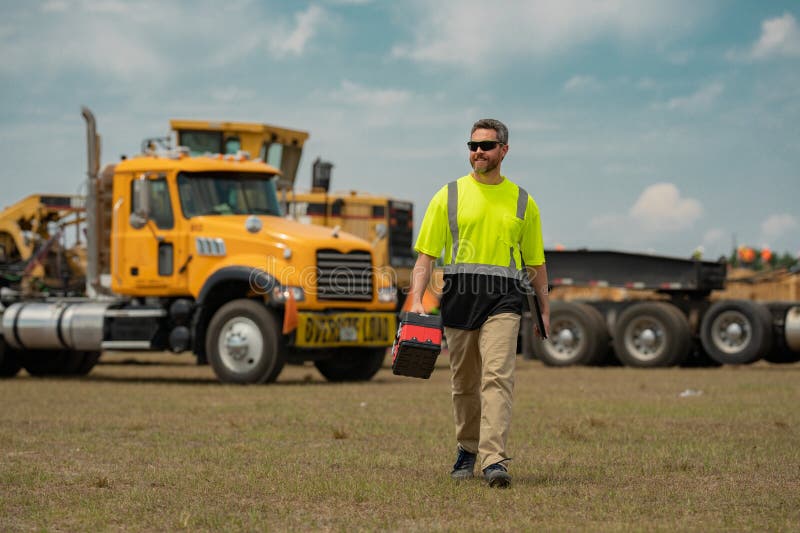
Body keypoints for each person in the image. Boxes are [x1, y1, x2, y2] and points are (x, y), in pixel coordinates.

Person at [409, 118, 550, 488]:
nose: (477, 153)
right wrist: (416, 300)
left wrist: (544, 308)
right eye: (472, 146)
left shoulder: (523, 201)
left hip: (504, 300)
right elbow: (426, 256)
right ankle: (467, 448)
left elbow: (535, 263)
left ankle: (493, 460)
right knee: (464, 384)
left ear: (504, 150)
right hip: (459, 299)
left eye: (485, 146)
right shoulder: (449, 195)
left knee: (498, 377)